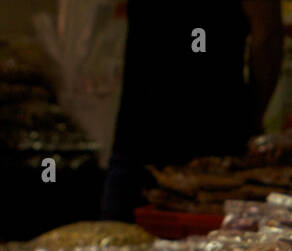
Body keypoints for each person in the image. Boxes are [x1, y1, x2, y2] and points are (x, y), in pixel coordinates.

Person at [101, 0, 282, 221]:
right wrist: (253, 115)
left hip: (182, 142)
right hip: (201, 136)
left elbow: (267, 37)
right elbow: (267, 38)